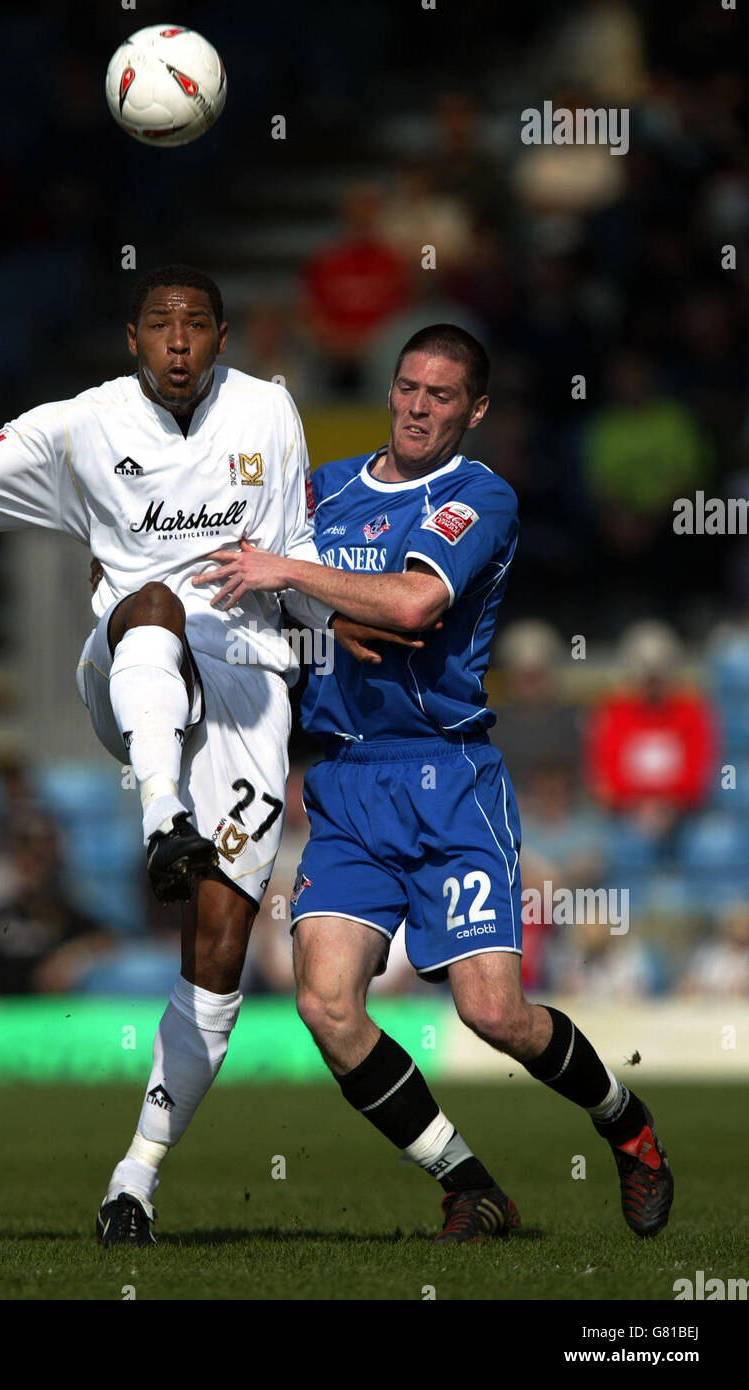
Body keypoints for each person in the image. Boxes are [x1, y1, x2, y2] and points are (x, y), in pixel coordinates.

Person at [0, 265, 336, 1248]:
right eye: (160, 323)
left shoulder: (269, 414)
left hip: (245, 685)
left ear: (224, 337)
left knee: (217, 958)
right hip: (133, 672)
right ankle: (161, 819)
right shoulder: (83, 425)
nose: (179, 338)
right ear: (131, 339)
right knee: (147, 602)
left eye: (197, 322)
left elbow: (294, 562)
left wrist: (316, 687)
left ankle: (134, 1179)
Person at [194, 324, 674, 1242]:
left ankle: (627, 1124)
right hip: (344, 779)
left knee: (494, 1013)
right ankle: (468, 1186)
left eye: (441, 395)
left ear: (475, 410)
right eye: (408, 388)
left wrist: (294, 576)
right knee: (327, 1006)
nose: (418, 407)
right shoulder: (320, 488)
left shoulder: (478, 497)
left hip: (448, 778)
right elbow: (248, 581)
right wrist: (310, 614)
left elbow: (414, 603)